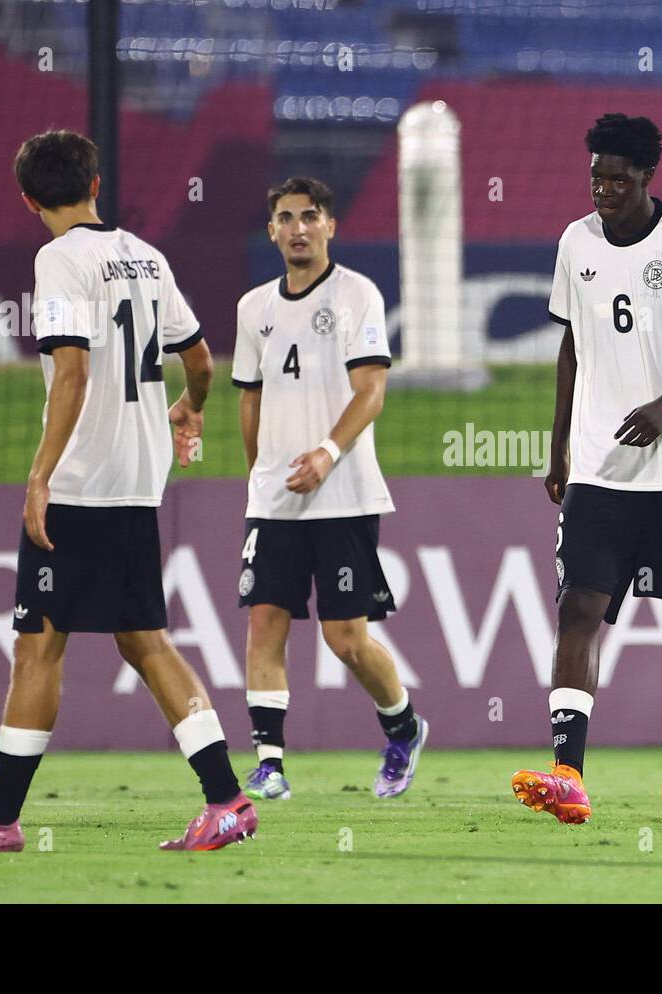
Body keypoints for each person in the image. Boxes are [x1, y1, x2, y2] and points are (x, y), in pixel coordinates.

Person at [0, 129, 256, 853]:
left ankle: (0, 820)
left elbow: (70, 372)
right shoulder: (146, 255)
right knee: (144, 640)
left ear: (29, 198)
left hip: (82, 480)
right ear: (96, 184)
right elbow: (198, 357)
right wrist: (193, 407)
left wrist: (38, 477)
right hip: (136, 477)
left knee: (38, 644)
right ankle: (226, 800)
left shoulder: (58, 259)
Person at [511, 114, 662, 826]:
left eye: (618, 178)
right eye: (596, 177)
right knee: (579, 609)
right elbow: (571, 349)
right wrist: (559, 450)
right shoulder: (574, 243)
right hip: (602, 470)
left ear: (647, 178)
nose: (605, 189)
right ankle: (568, 777)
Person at [232, 177, 426, 802]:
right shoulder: (252, 309)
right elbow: (250, 397)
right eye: (285, 218)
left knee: (345, 639)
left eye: (309, 216)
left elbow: (371, 389)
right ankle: (269, 762)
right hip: (276, 500)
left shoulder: (355, 295)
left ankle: (403, 728)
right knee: (265, 621)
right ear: (271, 230)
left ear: (330, 226)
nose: (297, 228)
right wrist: (260, 474)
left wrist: (327, 451)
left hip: (342, 493)